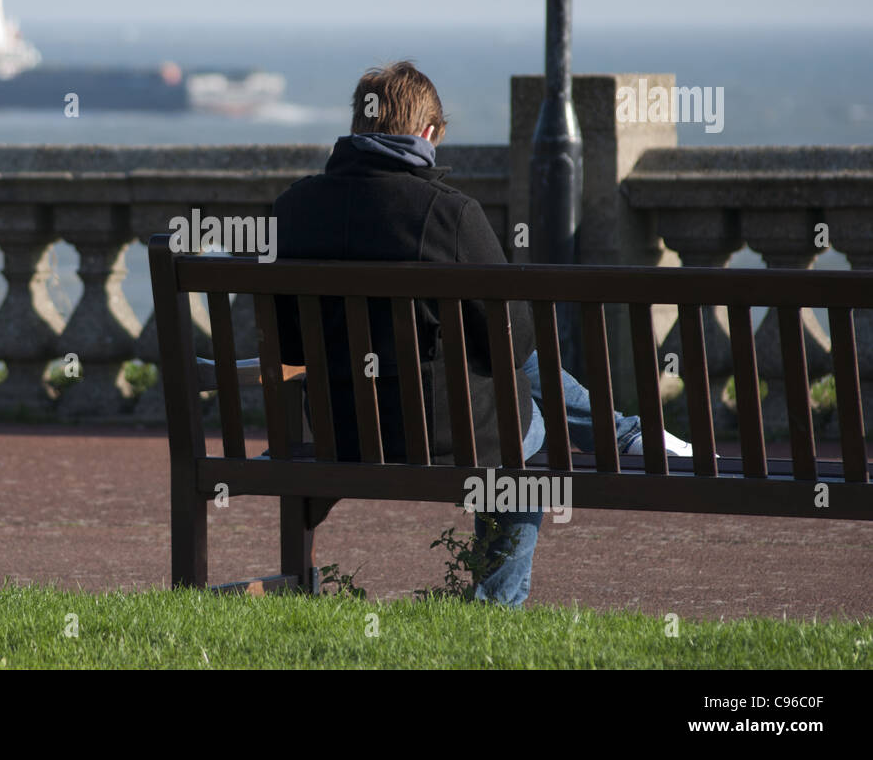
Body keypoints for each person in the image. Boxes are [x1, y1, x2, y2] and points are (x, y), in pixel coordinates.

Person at [271, 61, 689, 608]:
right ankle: (497, 603)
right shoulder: (451, 216)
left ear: (359, 124)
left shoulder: (291, 210)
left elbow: (290, 346)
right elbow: (511, 346)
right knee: (520, 433)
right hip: (448, 439)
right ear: (427, 133)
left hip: (338, 433)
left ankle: (622, 432)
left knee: (512, 375)